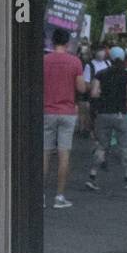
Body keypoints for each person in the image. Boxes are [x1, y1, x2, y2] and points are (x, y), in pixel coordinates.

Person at [43, 27, 88, 208]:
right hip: (67, 111)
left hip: (47, 110)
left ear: (52, 42)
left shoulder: (44, 60)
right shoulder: (75, 62)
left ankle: (41, 196)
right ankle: (59, 197)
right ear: (68, 42)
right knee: (64, 154)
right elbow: (81, 89)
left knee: (44, 153)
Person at [85, 46, 127, 193]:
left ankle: (92, 176)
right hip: (120, 114)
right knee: (125, 147)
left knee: (102, 146)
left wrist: (103, 94)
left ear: (110, 58)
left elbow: (94, 93)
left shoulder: (101, 74)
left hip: (103, 114)